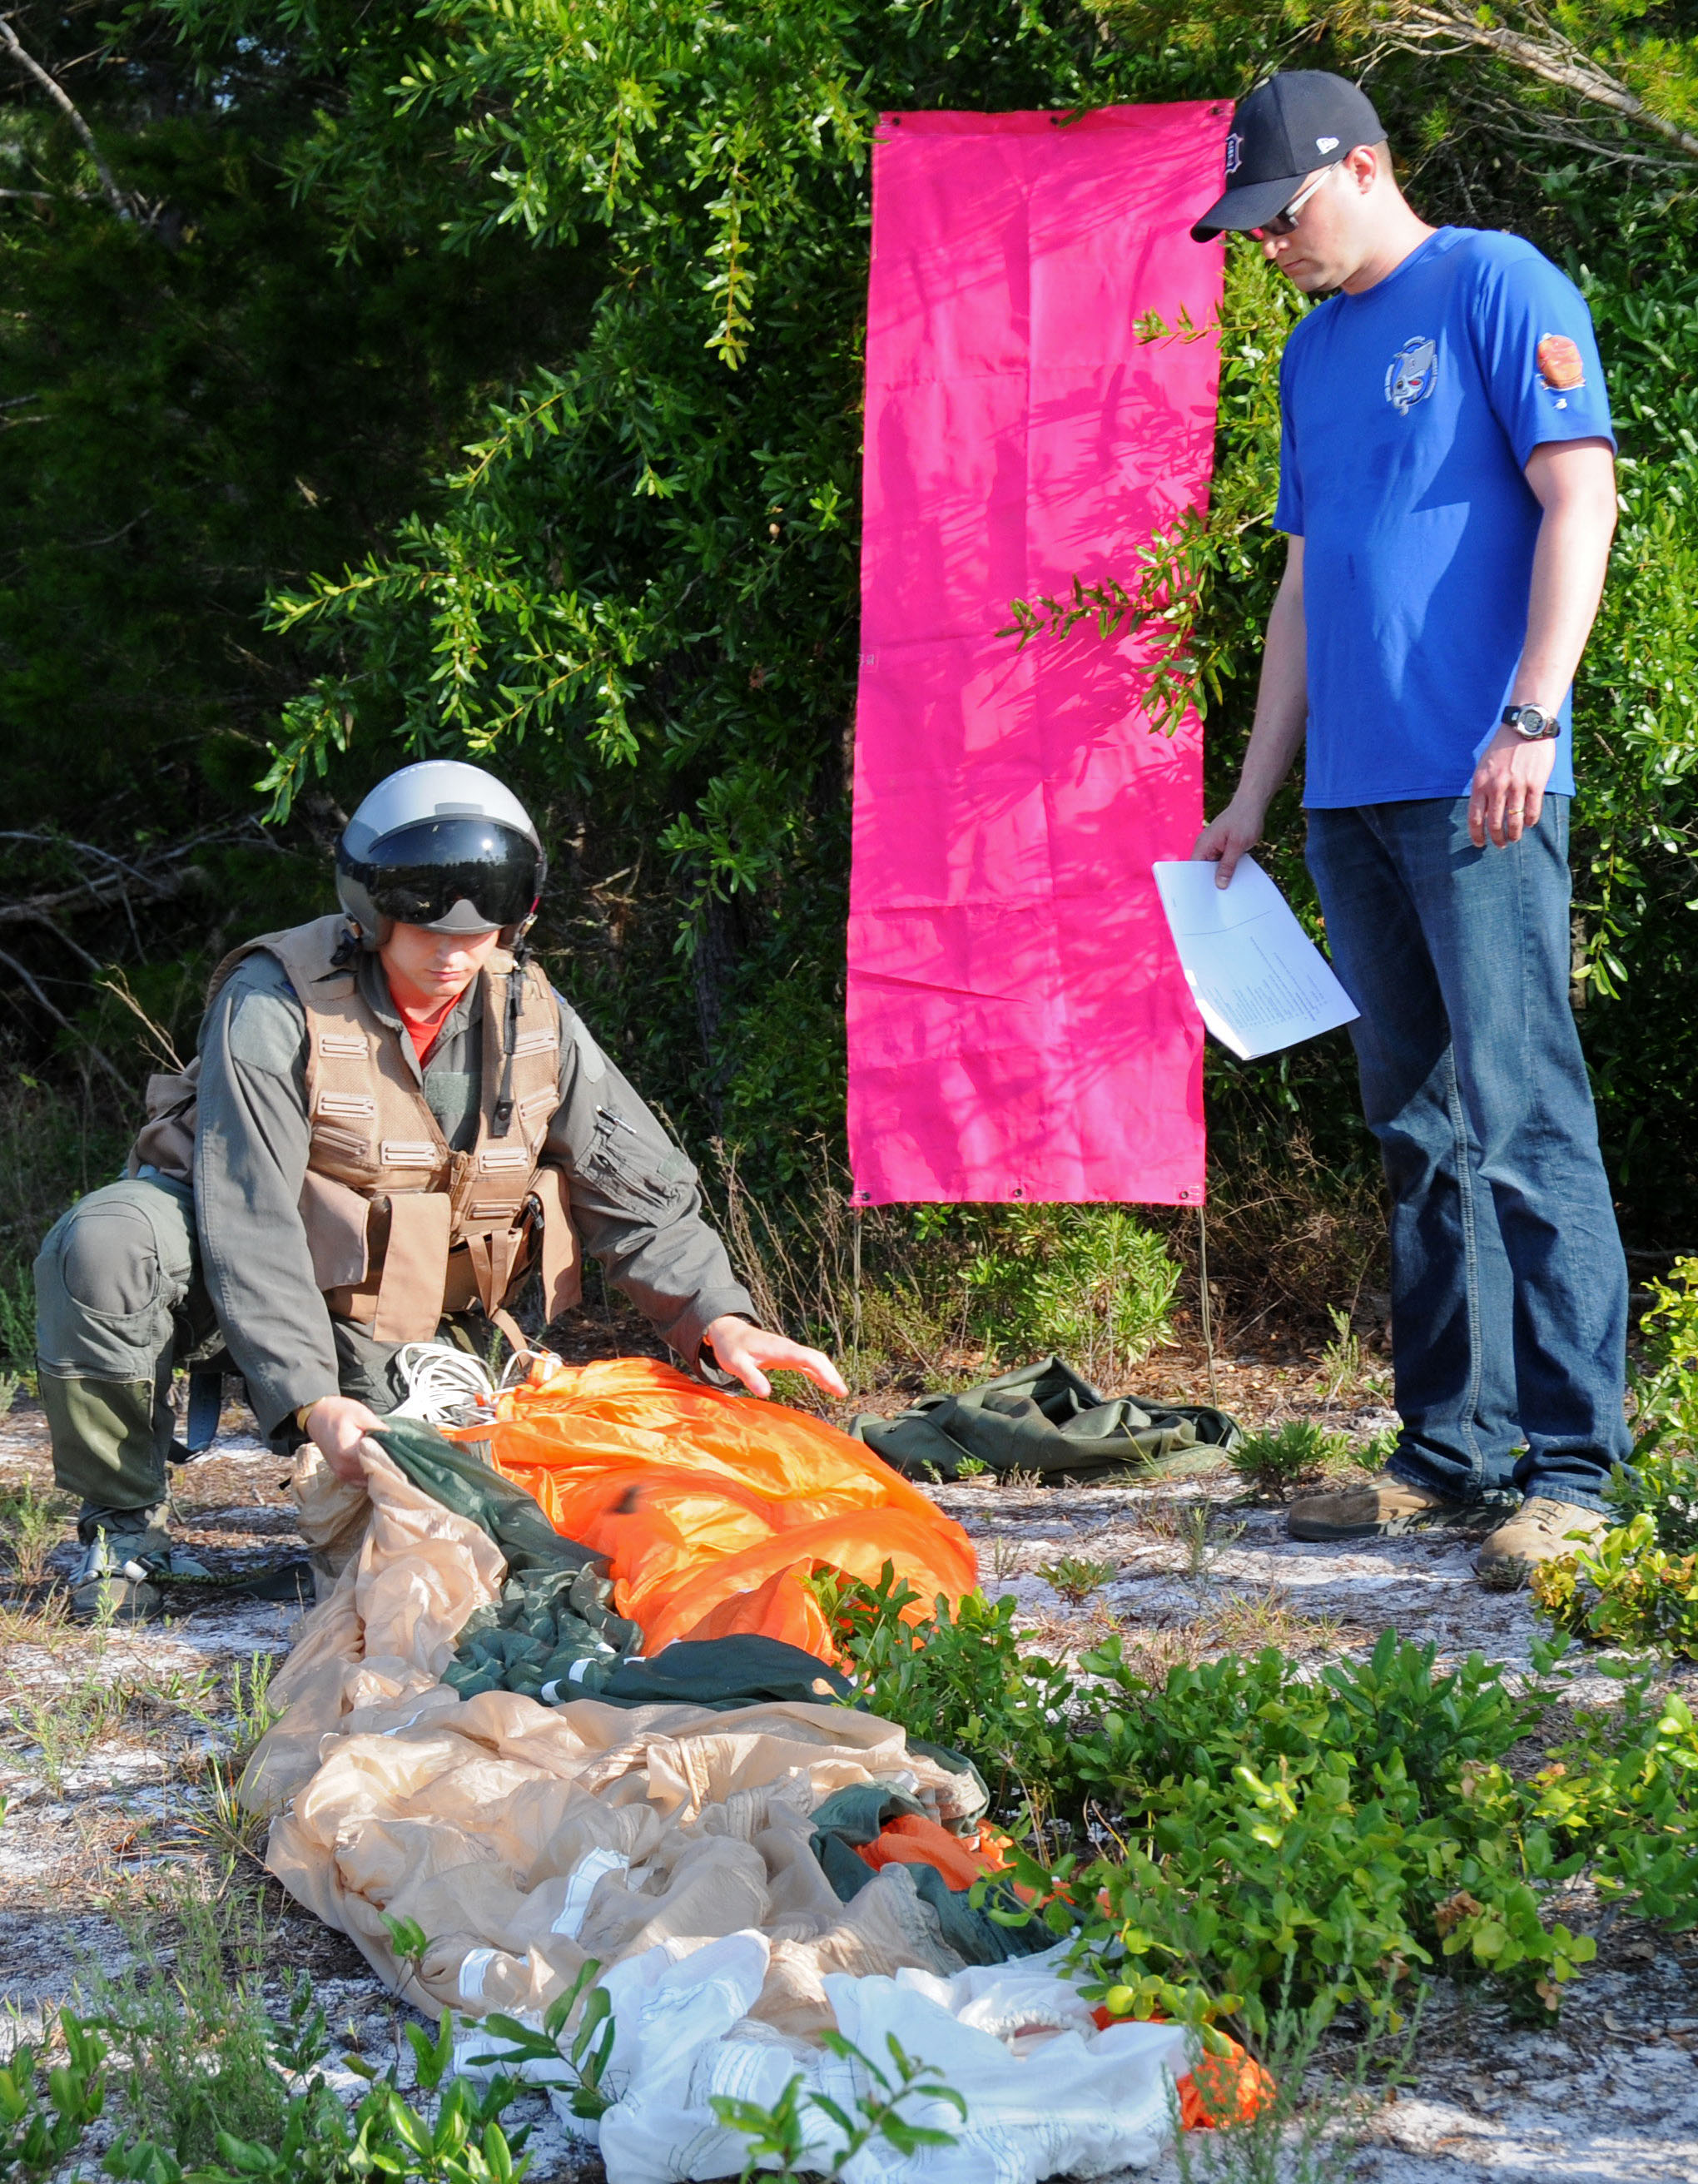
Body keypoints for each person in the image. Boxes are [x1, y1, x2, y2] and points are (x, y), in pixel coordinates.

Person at [35, 760, 846, 1620]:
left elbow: (633, 1182)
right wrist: (313, 1404)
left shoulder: (532, 1013)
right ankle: (122, 1536)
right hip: (238, 1272)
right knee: (109, 1241)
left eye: (485, 929)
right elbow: (251, 1218)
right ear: (371, 909)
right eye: (429, 927)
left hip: (402, 1313)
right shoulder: (274, 1000)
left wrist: (719, 1317)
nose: (457, 952)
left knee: (462, 1513)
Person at [1189, 72, 1630, 1577]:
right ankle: (1453, 1450)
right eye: (1249, 229)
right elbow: (1306, 583)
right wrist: (1253, 790)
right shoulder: (1315, 353)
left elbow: (1582, 495)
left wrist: (1532, 714)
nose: (1270, 248)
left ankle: (1576, 1467)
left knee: (1523, 1116)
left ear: (1365, 167)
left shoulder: (1495, 281)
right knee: (1419, 1130)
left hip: (1481, 777)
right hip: (1351, 800)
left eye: (1285, 214)